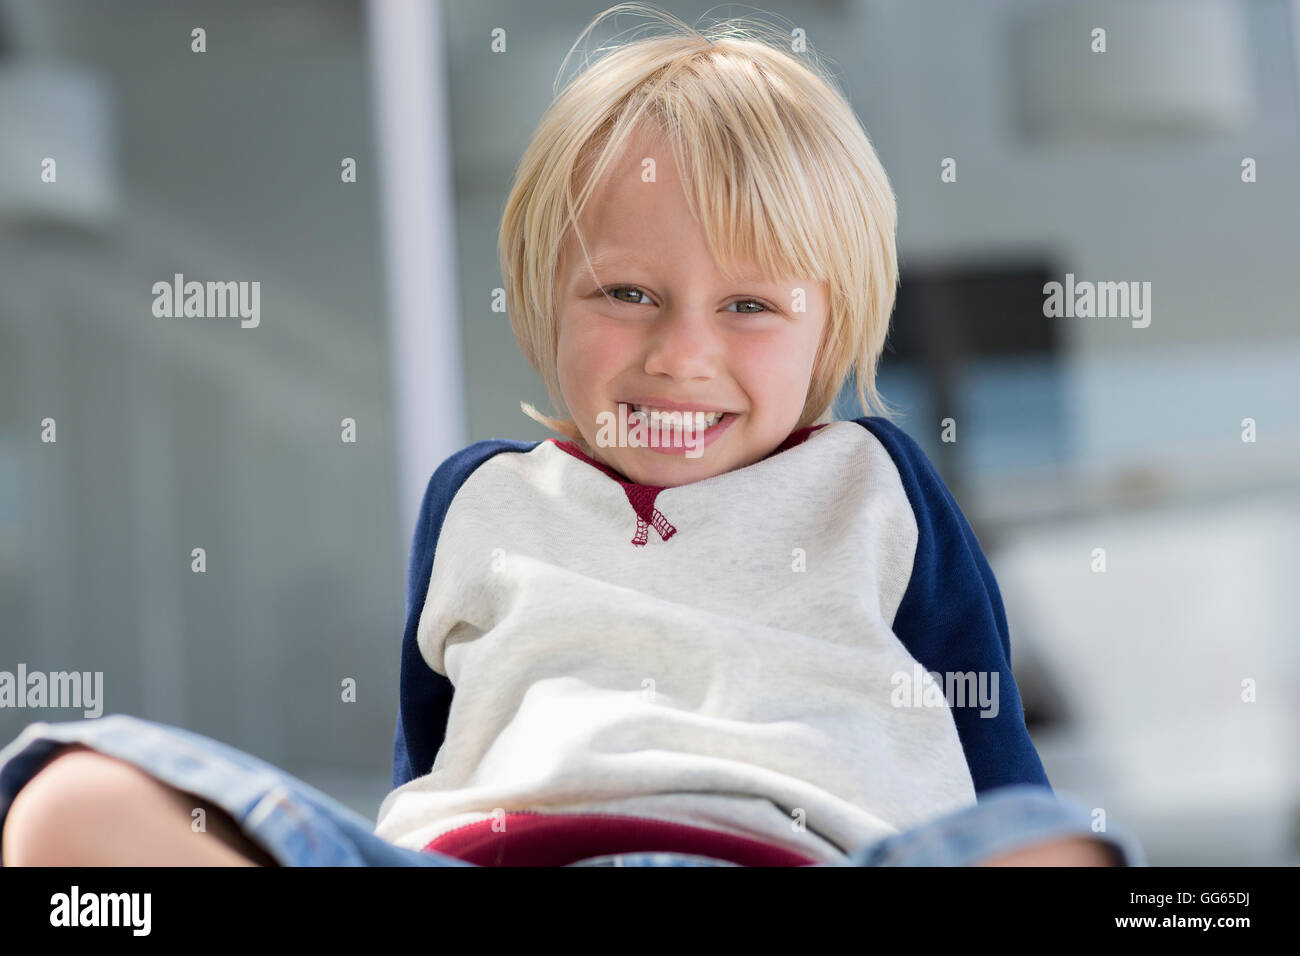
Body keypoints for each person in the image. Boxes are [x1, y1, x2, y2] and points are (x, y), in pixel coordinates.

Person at [0, 4, 1144, 868]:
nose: (680, 353)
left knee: (1058, 853)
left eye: (748, 307)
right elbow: (438, 761)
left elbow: (1000, 775)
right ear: (546, 301)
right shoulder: (478, 501)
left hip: (797, 857)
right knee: (73, 806)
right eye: (625, 294)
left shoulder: (875, 487)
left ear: (829, 329)